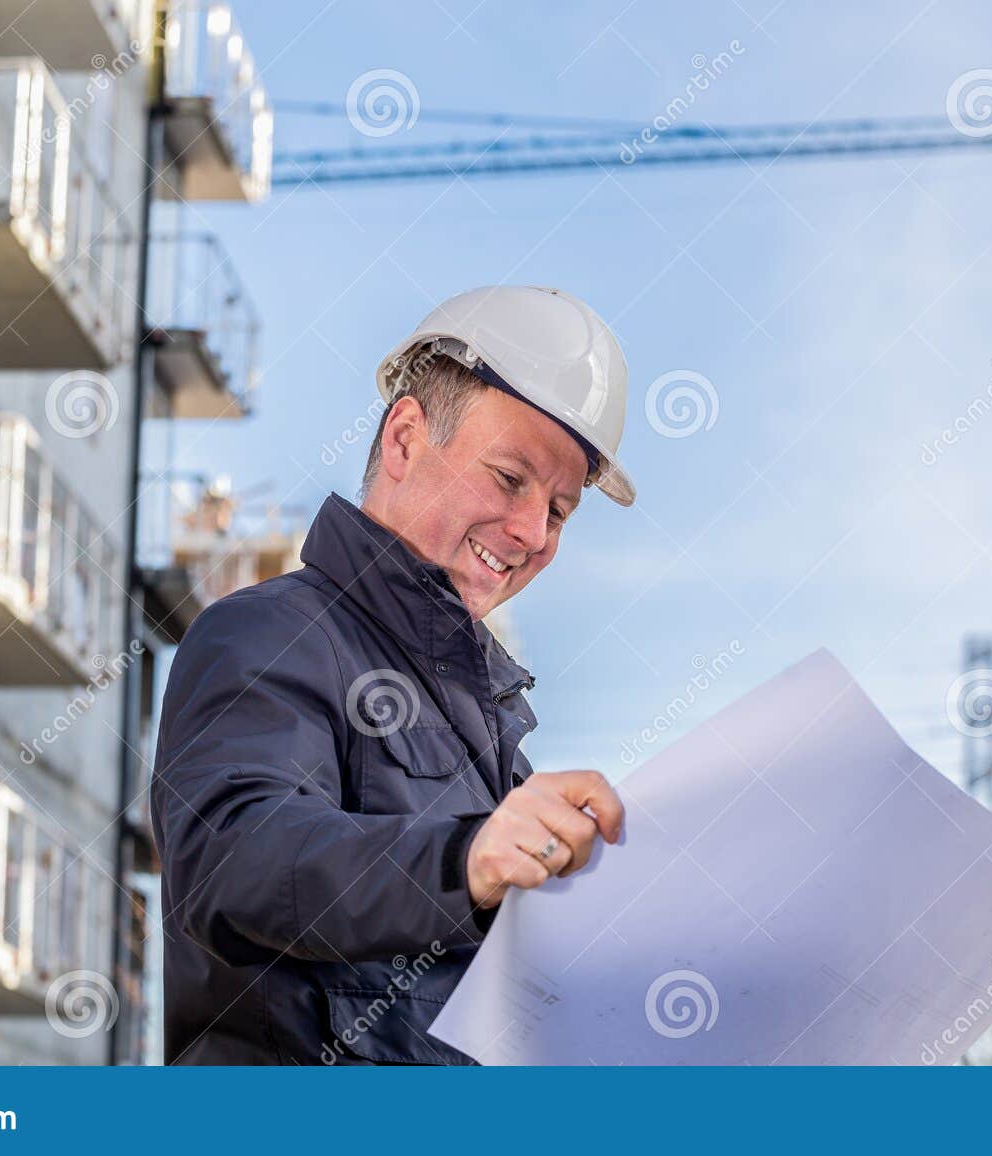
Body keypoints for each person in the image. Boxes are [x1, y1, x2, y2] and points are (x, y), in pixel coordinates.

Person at [152, 286, 638, 1064]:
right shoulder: (272, 634)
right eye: (511, 478)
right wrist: (462, 859)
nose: (530, 531)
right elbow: (232, 857)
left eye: (559, 510)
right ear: (407, 440)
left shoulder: (492, 742)